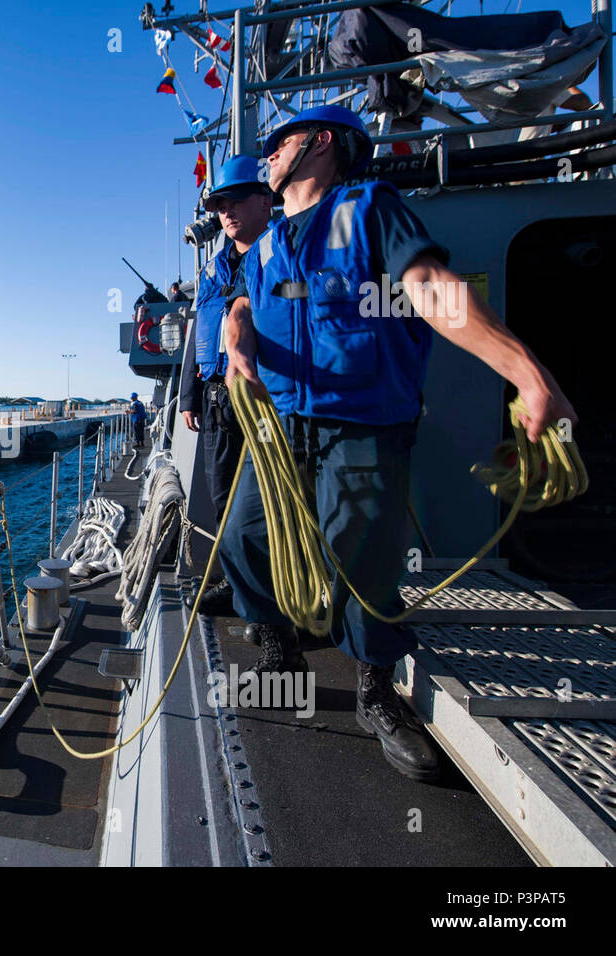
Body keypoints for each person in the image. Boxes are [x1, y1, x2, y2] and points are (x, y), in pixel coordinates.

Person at [220, 105, 576, 782]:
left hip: (363, 422)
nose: (266, 156)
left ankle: (375, 688)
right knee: (243, 537)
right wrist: (236, 341)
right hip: (280, 425)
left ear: (320, 144)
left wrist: (527, 374)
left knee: (364, 555)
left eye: (279, 143)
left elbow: (432, 291)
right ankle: (280, 652)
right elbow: (243, 301)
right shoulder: (265, 243)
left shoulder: (370, 209)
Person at [180, 157, 275, 619]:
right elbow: (198, 332)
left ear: (266, 200)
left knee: (268, 502)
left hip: (269, 398)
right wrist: (189, 397)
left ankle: (272, 600)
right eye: (220, 203)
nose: (227, 211)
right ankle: (239, 587)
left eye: (237, 200)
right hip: (218, 399)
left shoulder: (283, 252)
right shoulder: (214, 269)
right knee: (223, 499)